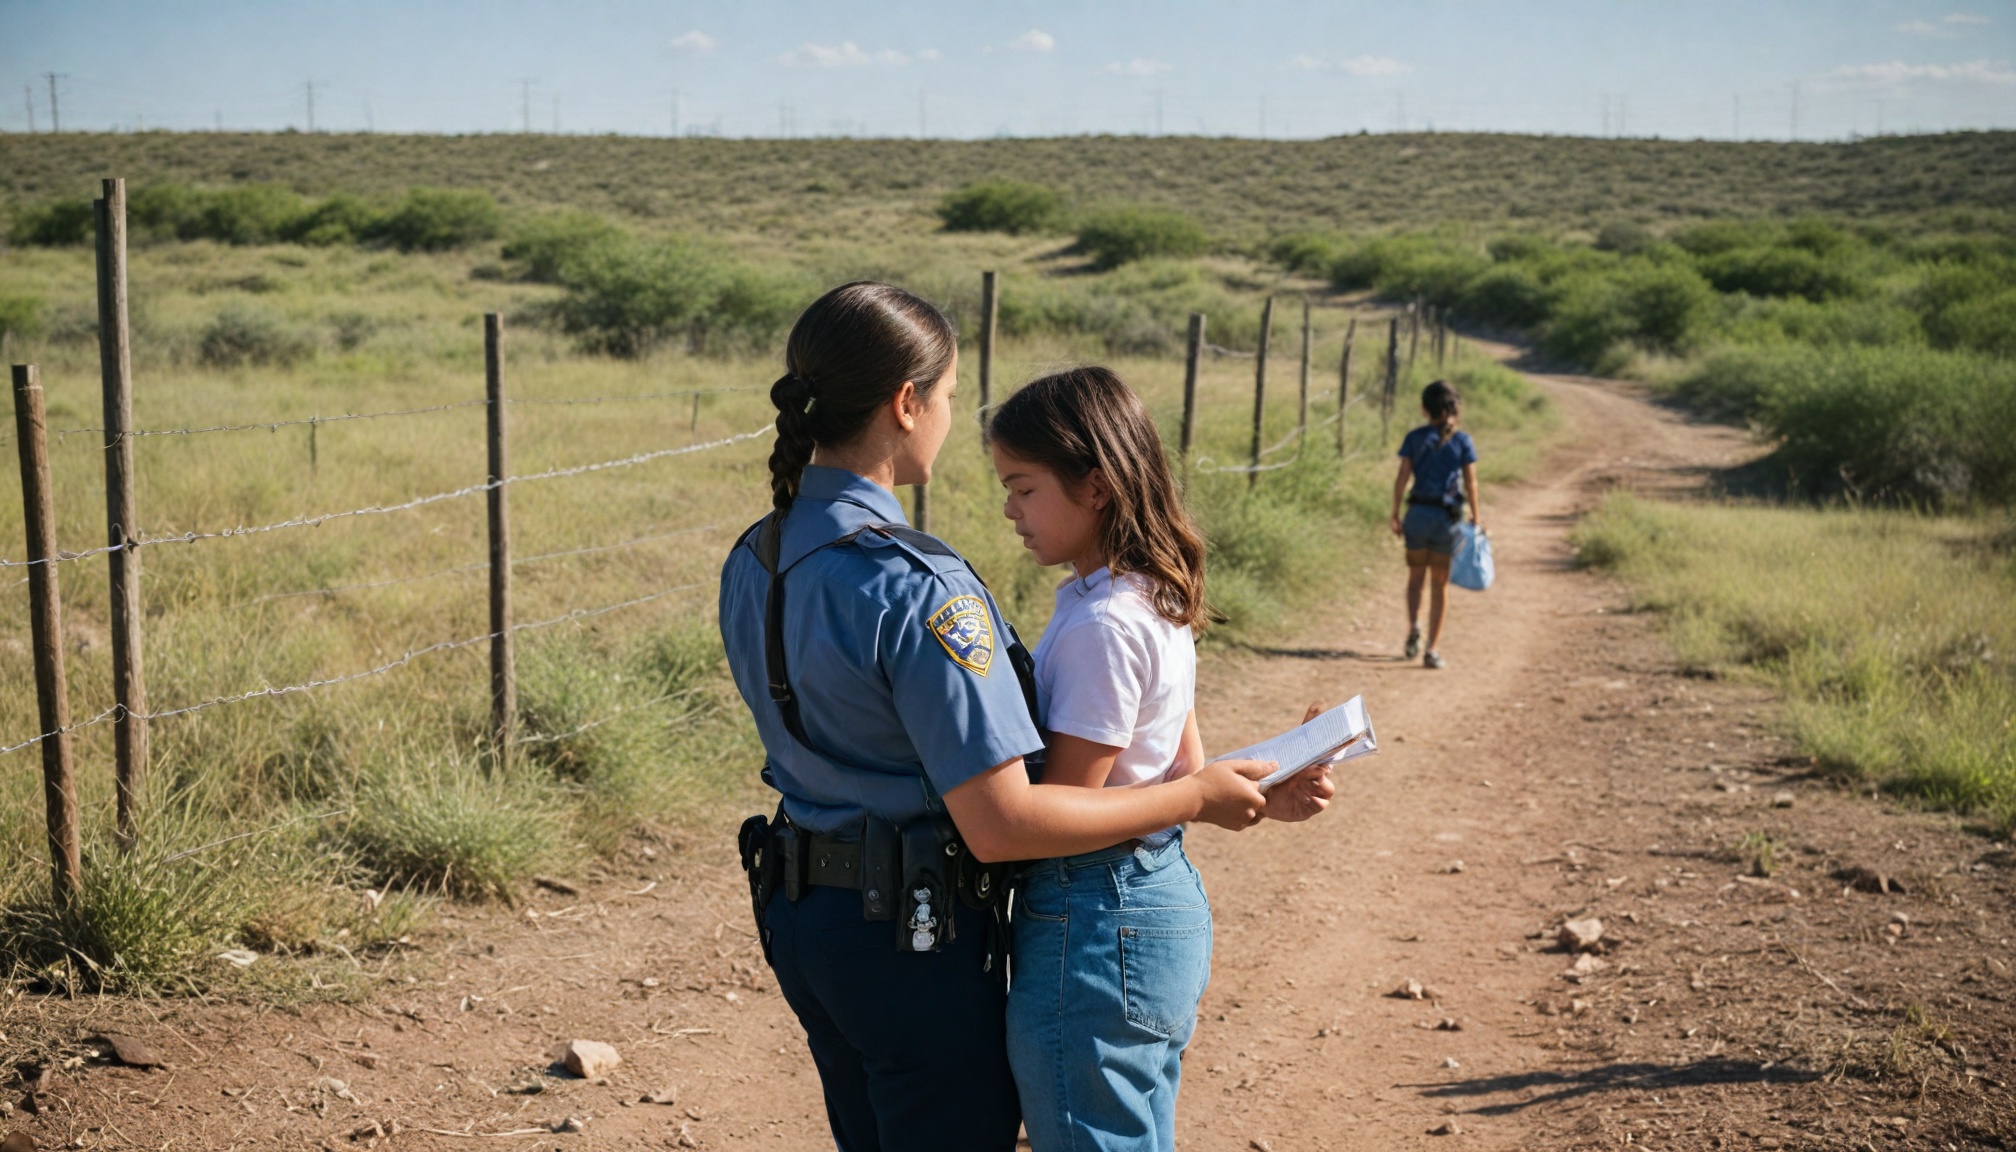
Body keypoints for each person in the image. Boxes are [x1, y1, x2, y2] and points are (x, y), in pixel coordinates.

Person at [718, 282, 1293, 1152]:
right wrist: (1198, 795)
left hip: (805, 918)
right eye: (946, 397)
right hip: (912, 934)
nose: (948, 417)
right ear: (908, 404)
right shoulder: (919, 586)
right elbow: (1002, 823)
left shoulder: (754, 554)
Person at [989, 366, 1334, 1152]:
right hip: (1155, 905)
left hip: (1093, 916)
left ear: (1097, 486)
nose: (1008, 510)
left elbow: (1062, 816)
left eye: (1024, 487)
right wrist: (1255, 789)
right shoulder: (1147, 598)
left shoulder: (1101, 624)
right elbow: (1181, 774)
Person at [1389, 379, 1483, 670]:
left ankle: (1414, 626)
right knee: (1439, 584)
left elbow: (1403, 477)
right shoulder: (1462, 441)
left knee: (1415, 578)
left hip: (1417, 516)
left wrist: (1395, 512)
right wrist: (1477, 517)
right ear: (1455, 407)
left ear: (1424, 409)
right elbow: (1471, 481)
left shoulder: (1415, 438)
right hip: (1446, 521)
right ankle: (1431, 649)